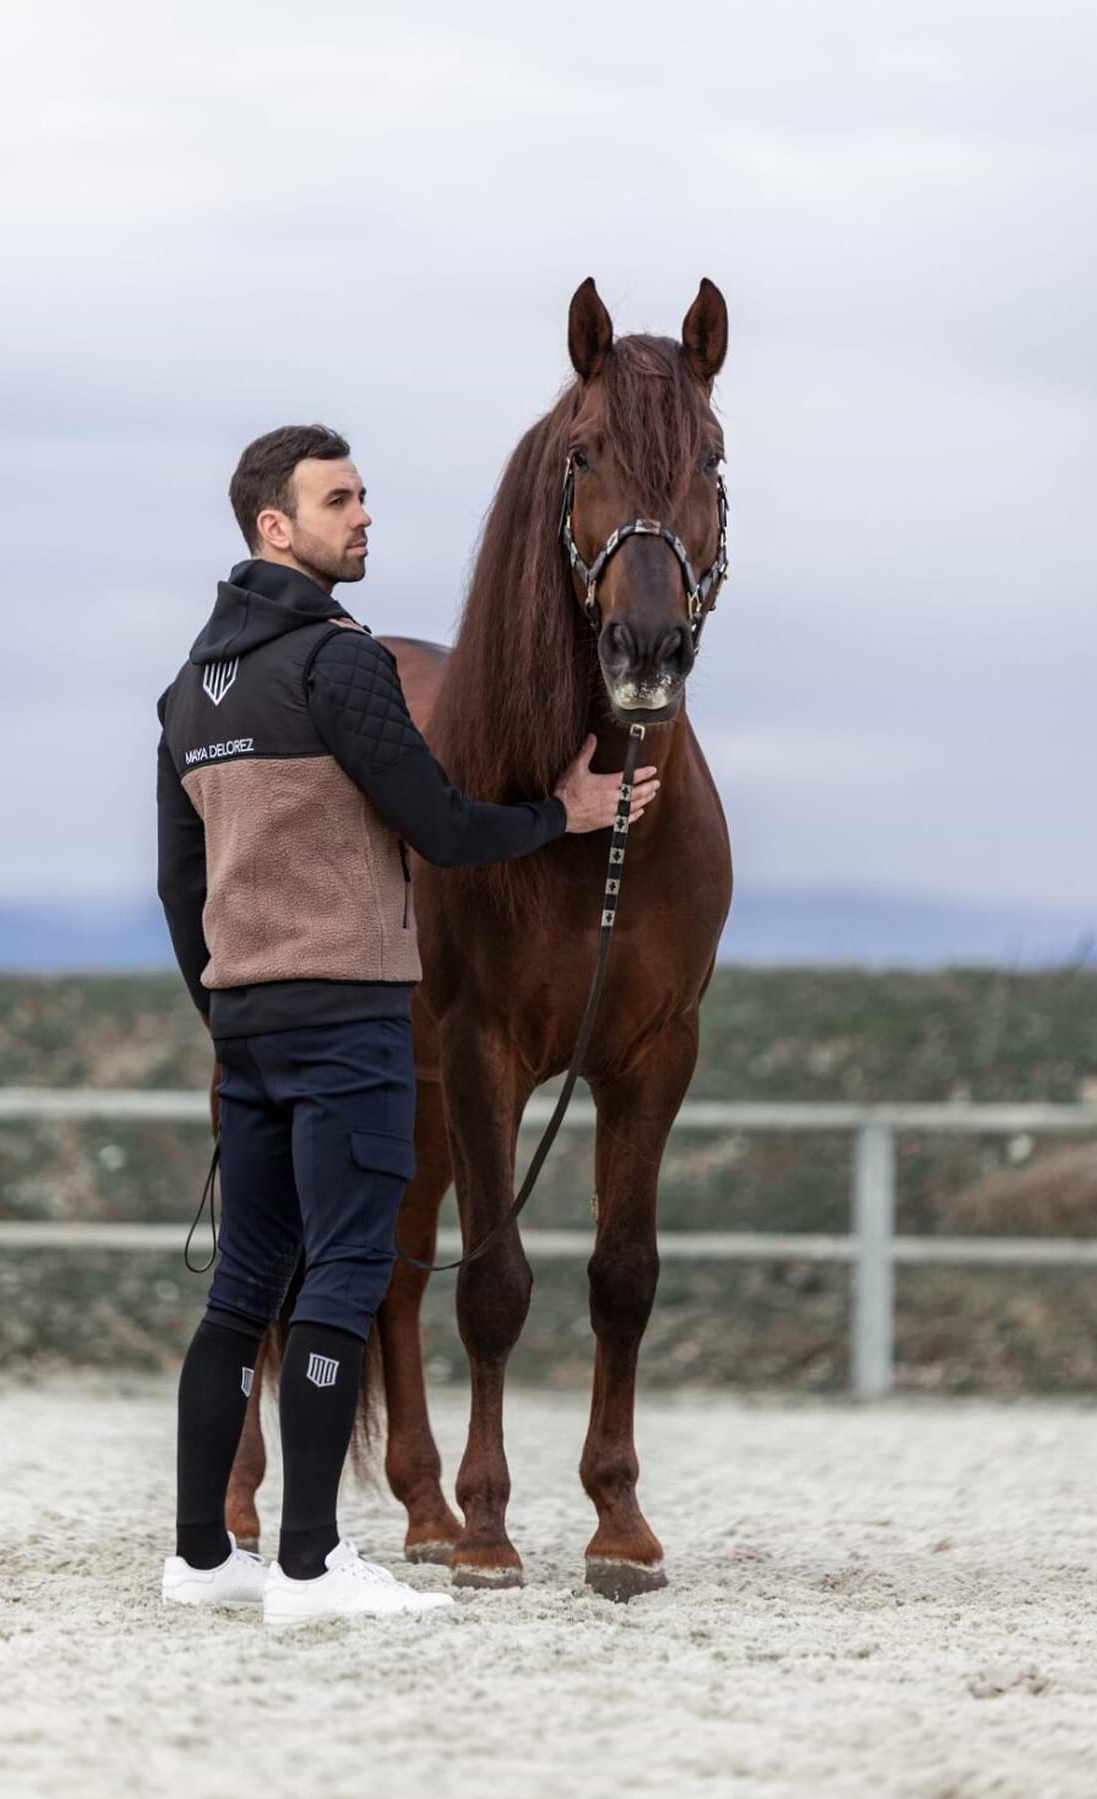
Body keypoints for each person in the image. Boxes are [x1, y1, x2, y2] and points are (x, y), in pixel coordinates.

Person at [154, 423, 661, 1624]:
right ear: (276, 528)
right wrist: (562, 808)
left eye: (364, 495)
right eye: (340, 500)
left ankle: (198, 1557)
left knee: (241, 1290)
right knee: (341, 1276)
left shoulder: (190, 689)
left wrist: (225, 1011)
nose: (365, 515)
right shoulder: (340, 665)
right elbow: (439, 826)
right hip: (349, 1016)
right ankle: (313, 1566)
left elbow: (184, 886)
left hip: (250, 1021)